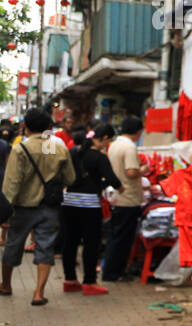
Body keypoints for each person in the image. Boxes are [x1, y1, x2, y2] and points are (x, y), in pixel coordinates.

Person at [0, 107, 77, 305]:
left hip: (23, 207)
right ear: (49, 127)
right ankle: (38, 293)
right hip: (49, 207)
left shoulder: (20, 149)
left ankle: (6, 285)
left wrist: (6, 209)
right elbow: (70, 177)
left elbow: (12, 183)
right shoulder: (57, 148)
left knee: (13, 245)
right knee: (46, 247)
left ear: (25, 126)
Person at [60, 123, 120, 296]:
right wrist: (109, 187)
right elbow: (113, 180)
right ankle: (89, 281)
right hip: (89, 205)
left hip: (69, 202)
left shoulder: (73, 152)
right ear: (105, 139)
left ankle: (69, 280)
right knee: (90, 243)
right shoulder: (99, 157)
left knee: (70, 242)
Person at [102, 115, 145, 282]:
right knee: (122, 238)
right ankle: (114, 273)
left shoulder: (114, 145)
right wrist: (144, 169)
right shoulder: (129, 148)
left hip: (116, 197)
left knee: (115, 236)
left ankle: (111, 270)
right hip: (128, 197)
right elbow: (131, 172)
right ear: (138, 131)